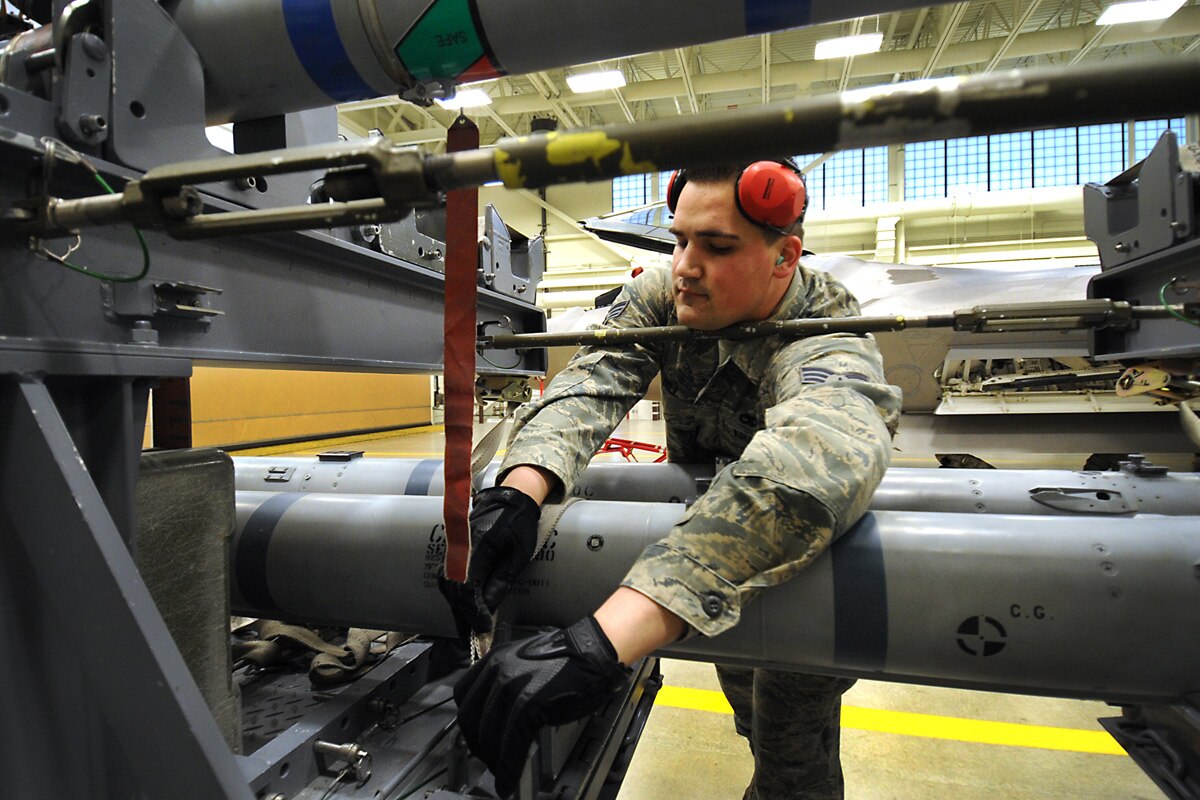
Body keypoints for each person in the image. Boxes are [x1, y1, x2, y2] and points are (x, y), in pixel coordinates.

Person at [446, 158, 902, 799]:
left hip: (798, 565)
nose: (686, 265)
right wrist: (519, 491)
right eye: (680, 239)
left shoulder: (824, 326)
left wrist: (605, 640)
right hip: (705, 554)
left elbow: (814, 462)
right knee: (744, 692)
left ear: (784, 257)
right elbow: (592, 380)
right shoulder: (667, 290)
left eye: (716, 247)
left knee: (792, 746)